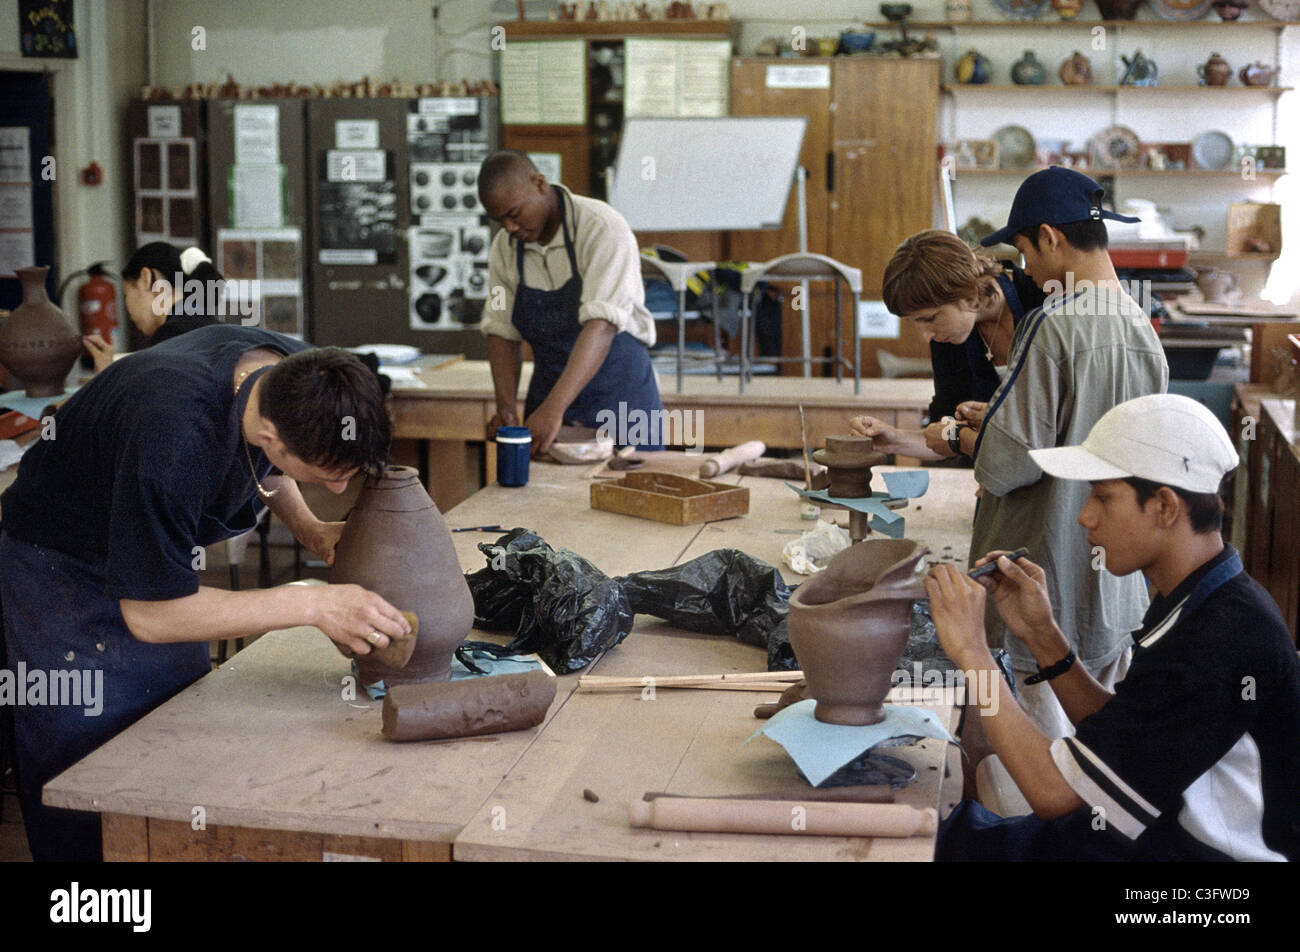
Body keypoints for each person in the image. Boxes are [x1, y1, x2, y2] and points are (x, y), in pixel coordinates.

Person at [0, 324, 411, 861]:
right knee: (85, 769)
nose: (339, 489)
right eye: (330, 476)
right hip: (60, 566)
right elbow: (152, 616)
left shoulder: (302, 377)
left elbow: (270, 461)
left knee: (178, 725)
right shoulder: (171, 432)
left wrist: (309, 528)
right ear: (271, 435)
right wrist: (310, 601)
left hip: (150, 551)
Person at [926, 394, 1299, 861]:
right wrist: (1044, 638)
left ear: (1164, 507)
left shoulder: (1221, 638)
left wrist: (973, 655)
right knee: (943, 837)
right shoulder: (1200, 596)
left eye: (1103, 496)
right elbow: (1127, 736)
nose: (1086, 516)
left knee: (937, 845)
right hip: (1158, 832)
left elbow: (1052, 793)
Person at [963, 167, 1168, 737]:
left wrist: (967, 436)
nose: (1024, 267)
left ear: (1051, 237)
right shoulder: (1140, 324)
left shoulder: (1051, 325)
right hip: (1114, 587)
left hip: (1043, 584)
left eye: (1024, 249)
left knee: (1031, 768)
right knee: (1097, 756)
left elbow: (1003, 467)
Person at [476, 150, 664, 455]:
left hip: (621, 398)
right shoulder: (505, 249)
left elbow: (601, 326)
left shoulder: (602, 228)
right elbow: (499, 327)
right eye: (500, 221)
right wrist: (507, 409)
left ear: (539, 183)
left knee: (630, 494)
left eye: (514, 214)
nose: (509, 228)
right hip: (549, 394)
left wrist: (554, 409)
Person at [850, 229, 1045, 461]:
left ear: (971, 294)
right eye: (914, 322)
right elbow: (944, 437)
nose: (925, 336)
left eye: (930, 318)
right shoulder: (949, 337)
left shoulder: (1042, 298)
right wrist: (894, 439)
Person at [81, 242, 226, 373]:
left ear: (146, 278)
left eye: (126, 294)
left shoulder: (172, 335)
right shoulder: (209, 325)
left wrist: (106, 376)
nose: (127, 308)